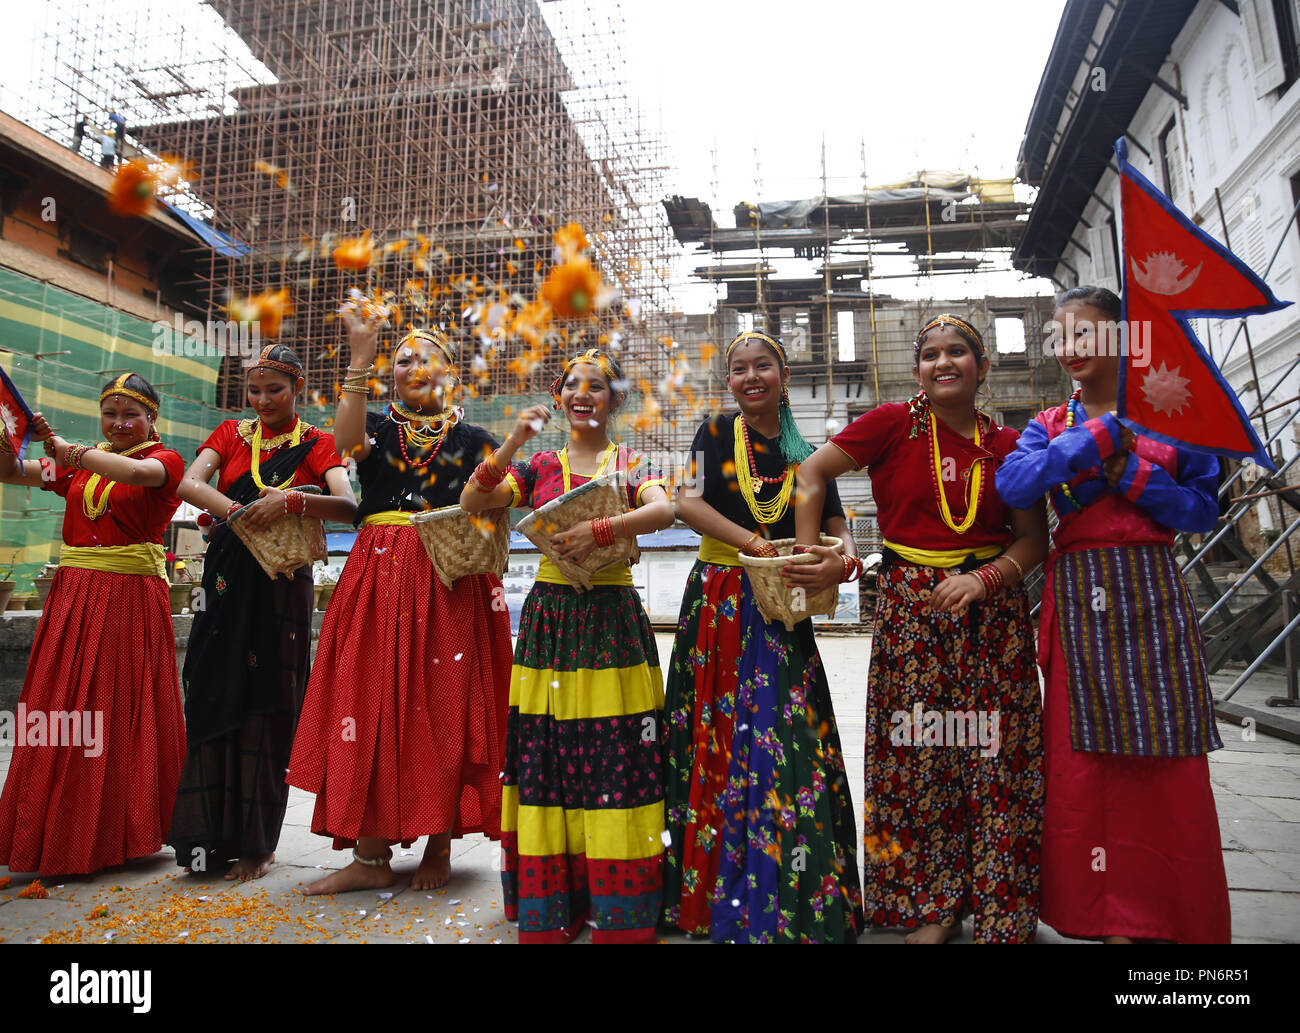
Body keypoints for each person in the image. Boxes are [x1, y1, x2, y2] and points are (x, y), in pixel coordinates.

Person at [796, 315, 1048, 944]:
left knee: (997, 756)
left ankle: (998, 904)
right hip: (913, 610)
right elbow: (810, 474)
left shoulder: (1011, 443)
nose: (943, 363)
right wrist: (818, 557)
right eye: (930, 354)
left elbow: (1032, 539)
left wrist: (985, 581)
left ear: (981, 366)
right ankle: (929, 906)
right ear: (917, 371)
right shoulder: (892, 424)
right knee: (919, 757)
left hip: (993, 616)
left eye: (958, 352)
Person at [996, 286, 1230, 943]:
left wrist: (1130, 474)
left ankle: (1172, 909)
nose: (1070, 349)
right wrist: (1099, 436)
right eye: (1060, 337)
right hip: (1080, 599)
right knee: (1088, 768)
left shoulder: (1176, 418)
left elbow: (1202, 510)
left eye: (1086, 335)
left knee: (1169, 758)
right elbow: (1013, 485)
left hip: (1153, 596)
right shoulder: (1046, 425)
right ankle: (1106, 913)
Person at [288, 317, 512, 894]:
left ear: (452, 376)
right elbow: (341, 445)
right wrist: (360, 356)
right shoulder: (379, 430)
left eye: (425, 358)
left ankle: (439, 843)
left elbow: (495, 503)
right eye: (403, 361)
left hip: (447, 579)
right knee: (367, 701)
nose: (413, 368)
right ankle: (369, 856)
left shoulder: (476, 439)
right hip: (376, 574)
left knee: (442, 705)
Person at [460, 348, 673, 944]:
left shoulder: (631, 461)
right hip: (552, 621)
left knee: (616, 755)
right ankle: (555, 903)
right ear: (558, 398)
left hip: (611, 620)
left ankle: (619, 909)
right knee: (548, 753)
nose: (584, 395)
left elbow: (664, 508)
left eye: (597, 387)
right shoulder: (536, 465)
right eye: (573, 386)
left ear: (616, 399)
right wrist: (511, 441)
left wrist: (606, 528)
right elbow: (477, 502)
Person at [661, 329, 865, 943]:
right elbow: (684, 501)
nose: (752, 378)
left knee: (786, 731)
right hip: (722, 598)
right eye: (740, 369)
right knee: (719, 736)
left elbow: (834, 519)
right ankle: (713, 896)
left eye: (764, 367)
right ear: (730, 382)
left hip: (786, 602)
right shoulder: (714, 434)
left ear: (783, 375)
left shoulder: (810, 450)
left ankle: (793, 894)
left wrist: (848, 554)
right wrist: (752, 543)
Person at [168, 344, 356, 882]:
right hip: (226, 578)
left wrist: (293, 500)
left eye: (275, 389)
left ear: (297, 388)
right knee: (211, 690)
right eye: (254, 389)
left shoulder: (316, 442)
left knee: (268, 705)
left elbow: (348, 504)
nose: (263, 400)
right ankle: (206, 842)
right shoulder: (230, 434)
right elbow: (189, 482)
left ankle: (258, 845)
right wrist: (236, 511)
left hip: (279, 584)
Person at [0, 373, 185, 875]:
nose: (120, 423)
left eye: (132, 415)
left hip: (127, 598)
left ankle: (115, 833)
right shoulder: (80, 464)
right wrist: (7, 433)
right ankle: (50, 827)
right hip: (74, 595)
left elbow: (133, 476)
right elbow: (12, 472)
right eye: (111, 414)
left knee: (113, 704)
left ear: (153, 418)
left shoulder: (163, 461)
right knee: (57, 705)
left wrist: (64, 448)